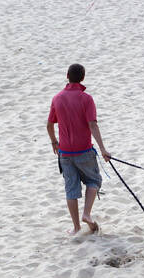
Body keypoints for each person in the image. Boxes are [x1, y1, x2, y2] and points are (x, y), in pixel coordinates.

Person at [46, 63, 113, 235]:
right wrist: (103, 149)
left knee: (71, 189)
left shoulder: (57, 98)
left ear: (67, 75)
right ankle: (87, 213)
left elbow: (49, 124)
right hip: (84, 150)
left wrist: (54, 142)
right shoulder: (86, 99)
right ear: (82, 78)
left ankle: (76, 227)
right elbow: (92, 124)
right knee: (94, 181)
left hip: (65, 153)